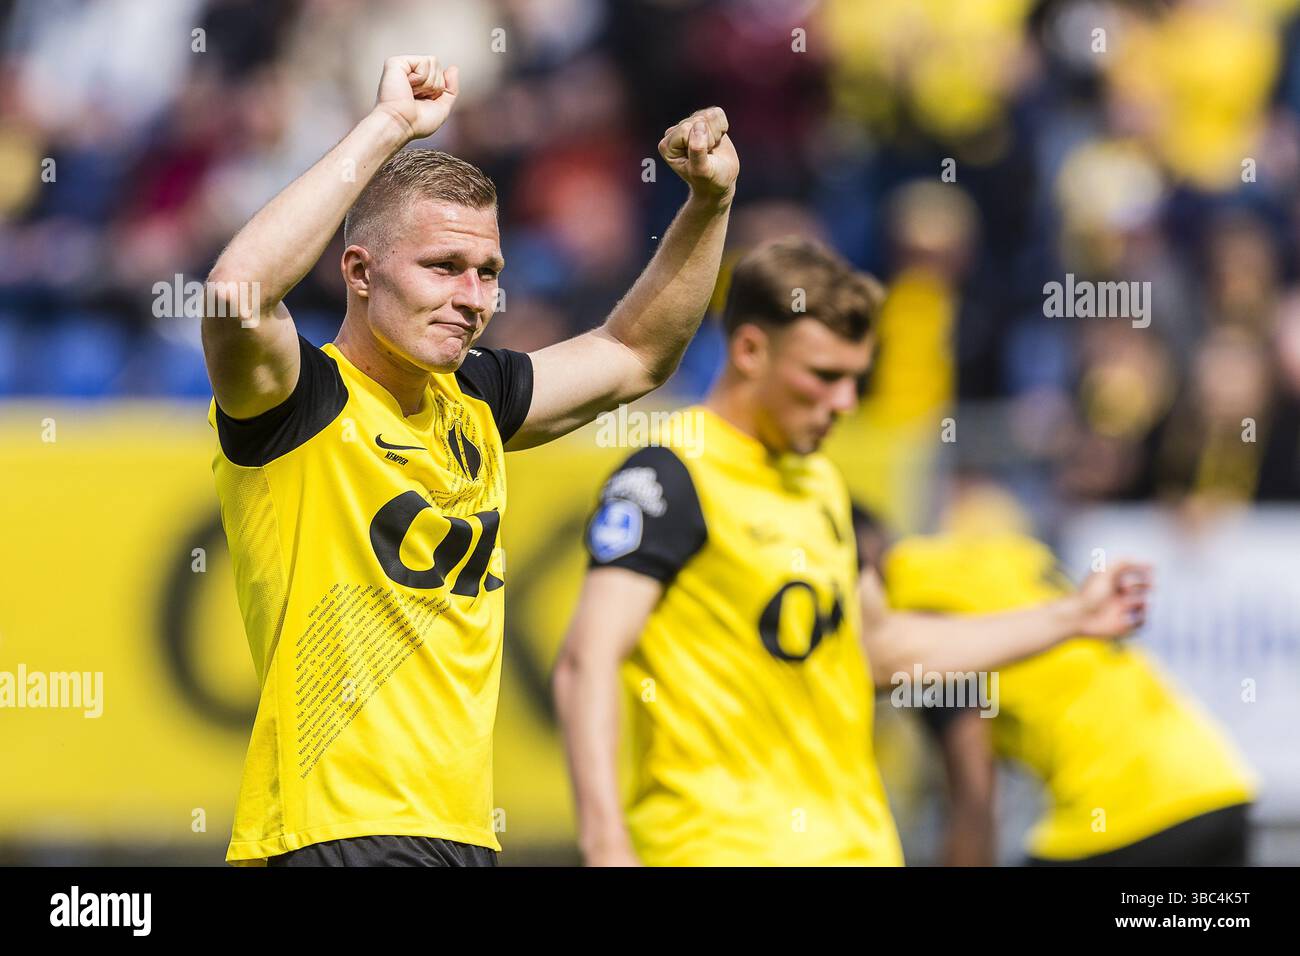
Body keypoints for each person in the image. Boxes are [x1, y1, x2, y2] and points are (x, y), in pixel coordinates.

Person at [201, 55, 739, 866]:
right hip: (327, 834)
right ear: (358, 271)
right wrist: (387, 128)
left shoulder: (478, 401)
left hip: (461, 837)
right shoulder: (298, 404)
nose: (474, 297)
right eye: (443, 267)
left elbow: (636, 355)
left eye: (488, 272)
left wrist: (709, 203)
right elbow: (237, 291)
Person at [552, 236, 1152, 866]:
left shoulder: (822, 485)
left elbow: (885, 649)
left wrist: (1072, 617)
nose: (843, 402)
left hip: (853, 849)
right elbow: (587, 660)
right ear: (751, 350)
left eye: (855, 379)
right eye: (824, 377)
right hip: (719, 846)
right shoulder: (673, 477)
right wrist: (605, 844)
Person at [864, 503, 1257, 866]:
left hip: (1129, 815)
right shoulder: (991, 556)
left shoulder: (916, 621)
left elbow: (974, 800)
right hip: (1218, 782)